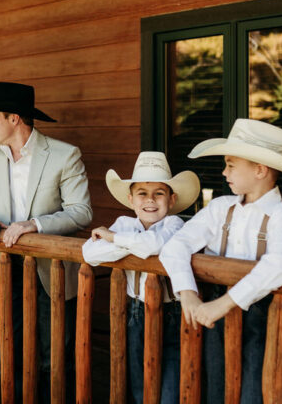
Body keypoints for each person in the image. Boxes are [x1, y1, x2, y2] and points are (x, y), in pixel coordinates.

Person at [159, 118, 282, 404]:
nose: (224, 171)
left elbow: (281, 263)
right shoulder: (221, 209)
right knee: (215, 386)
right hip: (213, 319)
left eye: (231, 164)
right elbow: (175, 246)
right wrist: (189, 295)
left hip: (258, 320)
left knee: (252, 392)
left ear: (259, 169)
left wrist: (223, 304)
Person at [0, 81, 92, 403]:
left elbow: (82, 211)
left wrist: (36, 224)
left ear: (14, 118)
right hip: (3, 268)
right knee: (9, 345)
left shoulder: (64, 154)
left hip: (51, 270)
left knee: (54, 350)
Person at [82, 151, 200, 404]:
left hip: (174, 312)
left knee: (171, 382)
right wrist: (132, 244)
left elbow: (154, 245)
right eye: (142, 193)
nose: (150, 200)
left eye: (159, 193)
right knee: (138, 376)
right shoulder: (124, 223)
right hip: (135, 309)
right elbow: (90, 252)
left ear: (172, 198)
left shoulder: (175, 225)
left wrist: (113, 239)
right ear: (130, 198)